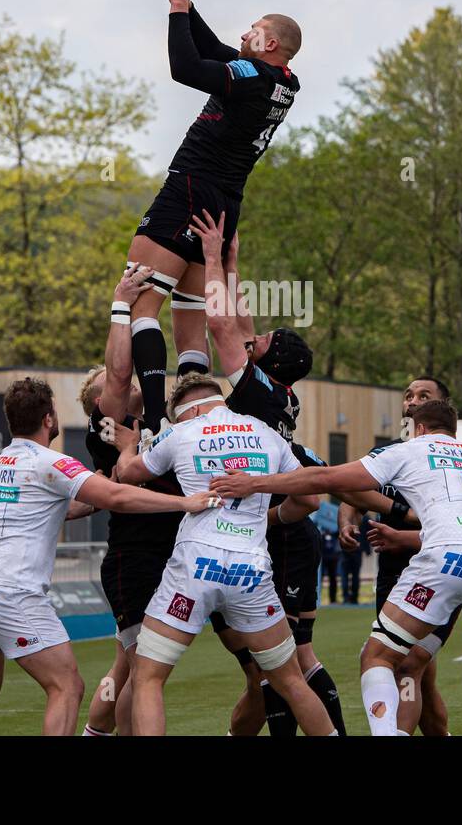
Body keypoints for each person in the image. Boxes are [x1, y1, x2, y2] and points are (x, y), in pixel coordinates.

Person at [212, 398, 462, 736]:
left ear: (418, 428)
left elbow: (328, 479)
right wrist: (404, 538)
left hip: (446, 559)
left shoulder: (410, 450)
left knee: (378, 657)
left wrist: (254, 483)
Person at [0, 377, 215, 736]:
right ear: (50, 419)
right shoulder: (54, 462)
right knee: (67, 686)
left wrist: (97, 492)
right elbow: (116, 498)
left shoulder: (0, 463)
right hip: (9, 591)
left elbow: (58, 509)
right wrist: (184, 502)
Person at [123, 0, 302, 434]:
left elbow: (186, 66)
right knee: (189, 315)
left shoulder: (254, 77)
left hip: (190, 190)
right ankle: (192, 417)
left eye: (253, 30)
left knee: (135, 303)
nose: (244, 34)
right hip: (223, 206)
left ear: (270, 45)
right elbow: (214, 52)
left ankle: (155, 420)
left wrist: (178, 10)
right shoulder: (281, 80)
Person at [190, 209, 343, 736]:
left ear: (267, 362)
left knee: (287, 664)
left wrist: (211, 257)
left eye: (264, 342)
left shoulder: (256, 389)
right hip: (279, 532)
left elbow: (219, 325)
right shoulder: (276, 390)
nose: (254, 338)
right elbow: (243, 327)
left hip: (277, 535)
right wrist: (232, 265)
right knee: (275, 666)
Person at [113, 373, 335, 736]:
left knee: (148, 677)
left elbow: (127, 474)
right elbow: (309, 498)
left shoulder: (181, 432)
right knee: (291, 681)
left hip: (195, 565)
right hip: (250, 569)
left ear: (193, 409)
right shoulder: (266, 433)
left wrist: (129, 445)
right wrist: (269, 518)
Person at [76, 264, 185, 737]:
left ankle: (93, 734)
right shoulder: (106, 429)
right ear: (98, 404)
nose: (123, 379)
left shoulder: (154, 429)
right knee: (141, 671)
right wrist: (122, 306)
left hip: (167, 557)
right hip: (133, 559)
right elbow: (119, 372)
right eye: (111, 384)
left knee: (126, 667)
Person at [337, 376, 459, 736]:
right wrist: (347, 521)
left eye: (424, 395)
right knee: (421, 674)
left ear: (442, 407)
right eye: (409, 395)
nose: (413, 401)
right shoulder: (388, 452)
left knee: (406, 666)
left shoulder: (449, 457)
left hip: (436, 573)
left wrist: (404, 533)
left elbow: (458, 531)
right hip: (392, 575)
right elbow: (354, 491)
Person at [312, 501, 341, 604]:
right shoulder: (318, 524)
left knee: (333, 578)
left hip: (332, 555)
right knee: (318, 578)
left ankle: (333, 599)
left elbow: (339, 532)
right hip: (321, 555)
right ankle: (316, 599)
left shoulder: (335, 527)